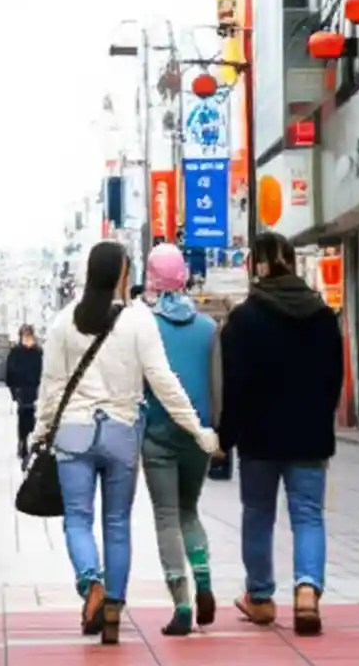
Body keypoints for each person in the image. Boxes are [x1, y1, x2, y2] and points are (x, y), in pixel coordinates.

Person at [29, 241, 219, 645]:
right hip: (121, 433)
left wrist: (39, 432)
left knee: (77, 519)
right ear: (121, 275)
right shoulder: (138, 321)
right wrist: (196, 428)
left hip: (74, 435)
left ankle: (90, 585)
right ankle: (113, 608)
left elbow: (51, 388)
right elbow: (163, 382)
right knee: (117, 523)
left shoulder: (64, 322)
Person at [219, 231, 342, 636]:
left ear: (256, 265)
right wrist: (319, 420)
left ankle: (260, 598)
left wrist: (226, 438)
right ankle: (307, 591)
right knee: (307, 515)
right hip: (308, 436)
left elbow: (233, 385)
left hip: (259, 439)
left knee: (258, 515)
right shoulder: (322, 317)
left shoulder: (243, 319)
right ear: (291, 260)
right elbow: (332, 380)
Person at [139, 244, 219, 636]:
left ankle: (182, 603)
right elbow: (216, 383)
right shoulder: (208, 328)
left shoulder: (145, 325)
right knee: (189, 510)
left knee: (166, 517)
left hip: (157, 432)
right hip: (198, 434)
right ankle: (204, 578)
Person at [6, 325, 43, 461]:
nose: (27, 338)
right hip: (22, 390)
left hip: (35, 390)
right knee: (22, 419)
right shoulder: (15, 352)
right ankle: (22, 443)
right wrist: (13, 391)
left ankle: (32, 442)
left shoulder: (38, 352)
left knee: (35, 418)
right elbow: (9, 372)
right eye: (25, 335)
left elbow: (44, 371)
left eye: (29, 335)